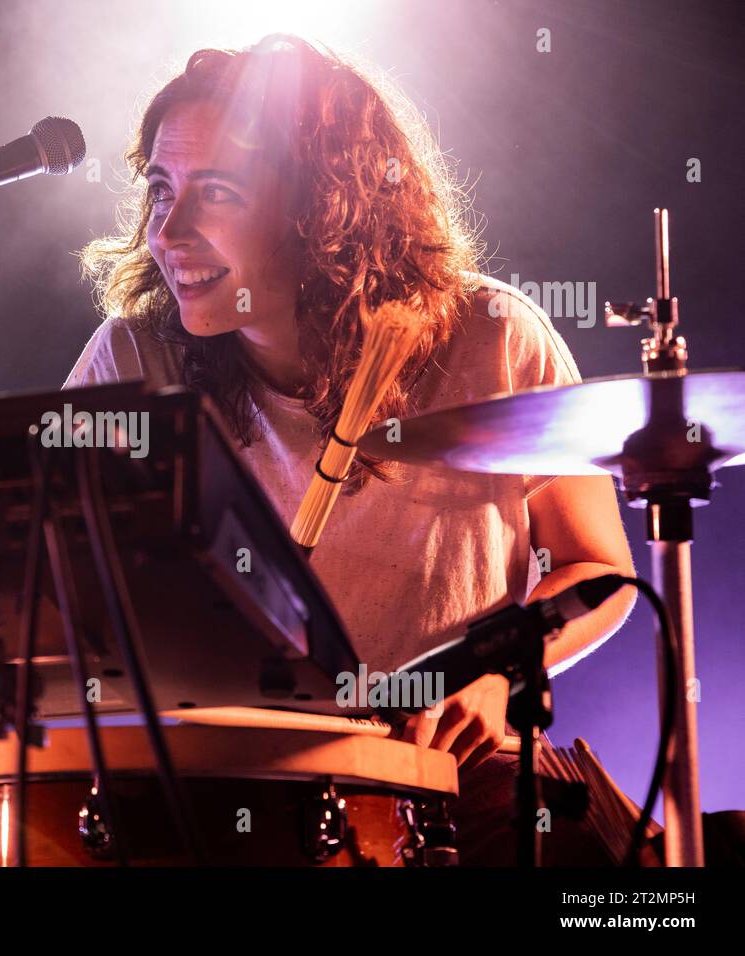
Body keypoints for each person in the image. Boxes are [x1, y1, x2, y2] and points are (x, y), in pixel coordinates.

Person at [63, 35, 637, 864]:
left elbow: (598, 571)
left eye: (215, 193)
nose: (170, 231)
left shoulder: (494, 338)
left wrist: (501, 677)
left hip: (446, 775)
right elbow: (52, 585)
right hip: (235, 782)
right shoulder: (133, 361)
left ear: (322, 205)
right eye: (160, 190)